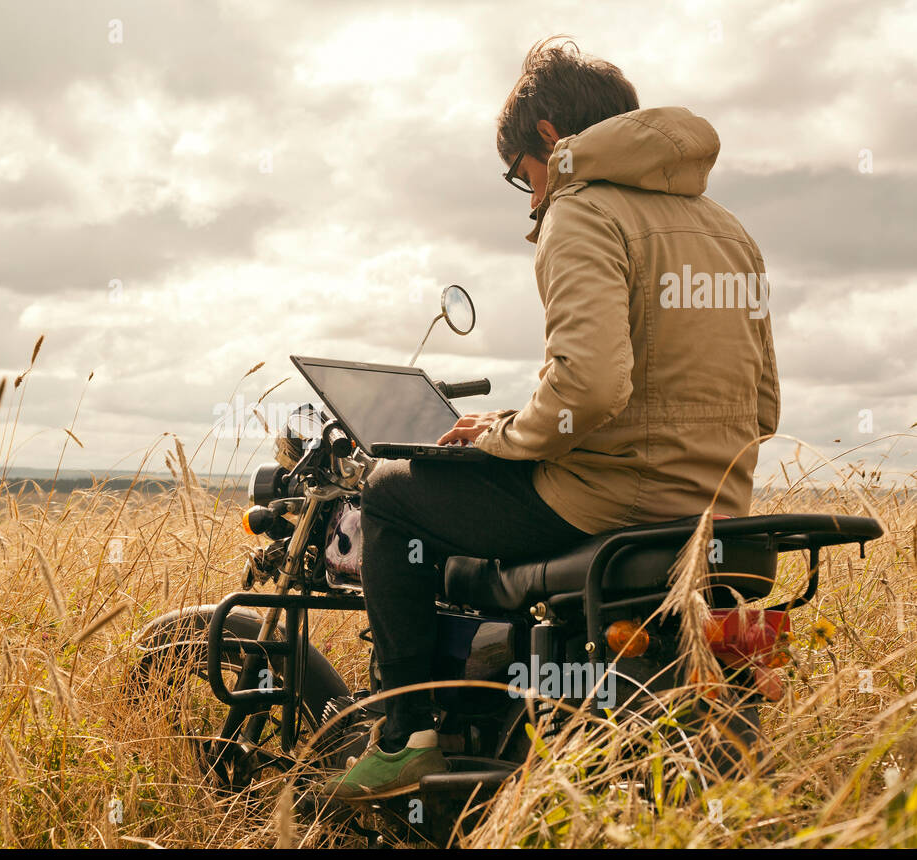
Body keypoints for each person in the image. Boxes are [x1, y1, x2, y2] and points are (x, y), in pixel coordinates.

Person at [324, 36, 780, 799]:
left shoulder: (583, 213)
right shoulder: (728, 230)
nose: (528, 194)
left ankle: (407, 737)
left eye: (520, 176)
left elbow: (594, 389)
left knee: (389, 490)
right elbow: (763, 402)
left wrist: (504, 439)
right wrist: (518, 418)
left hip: (614, 497)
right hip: (716, 506)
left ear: (546, 140)